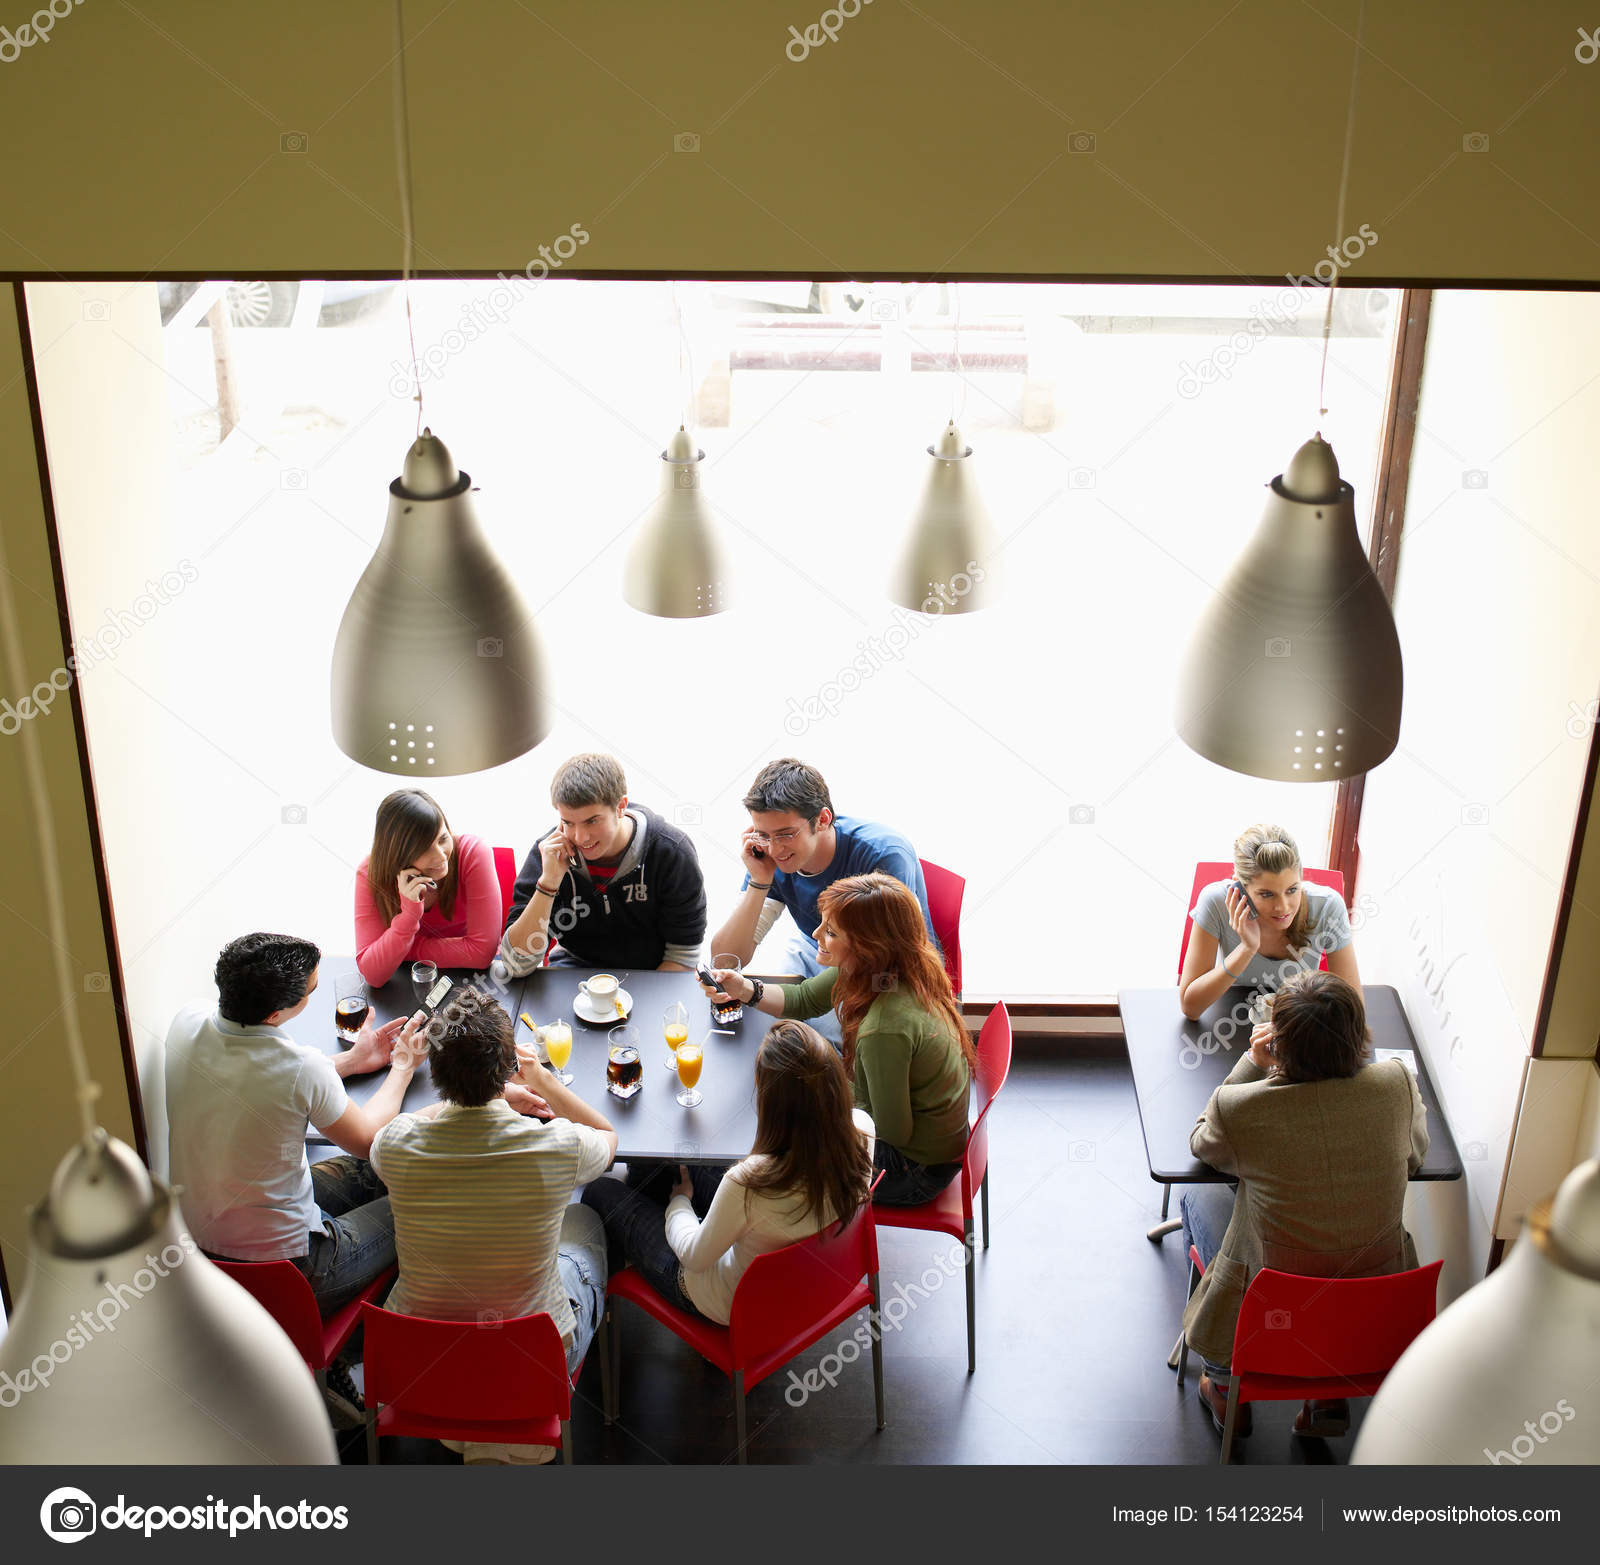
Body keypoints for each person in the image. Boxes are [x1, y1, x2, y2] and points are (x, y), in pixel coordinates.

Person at [164, 933, 450, 1427]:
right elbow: (371, 1141)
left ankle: (331, 1358)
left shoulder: (185, 1024)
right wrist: (401, 1068)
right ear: (277, 1014)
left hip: (204, 1255)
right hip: (295, 1267)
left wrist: (353, 1062)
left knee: (367, 1177)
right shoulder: (301, 1068)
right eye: (310, 992)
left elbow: (265, 1077)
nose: (314, 997)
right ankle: (385, 1353)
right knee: (422, 1195)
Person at [1179, 969, 1429, 1443]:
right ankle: (1325, 1395)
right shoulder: (1396, 1083)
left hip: (1274, 1311)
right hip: (1374, 1308)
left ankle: (1226, 1381)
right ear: (1358, 1036)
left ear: (1279, 1044)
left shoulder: (1243, 1108)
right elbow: (1414, 1157)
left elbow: (1201, 1142)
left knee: (1201, 1194)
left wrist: (1252, 1065)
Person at [371, 993, 617, 1465]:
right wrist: (541, 1080)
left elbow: (396, 1128)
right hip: (530, 1369)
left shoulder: (397, 1146)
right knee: (585, 1222)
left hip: (422, 1370)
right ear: (507, 1068)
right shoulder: (557, 1145)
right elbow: (607, 1135)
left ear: (436, 1075)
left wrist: (478, 1098)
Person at [703, 872, 969, 1206]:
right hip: (924, 1138)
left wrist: (826, 1098)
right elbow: (802, 999)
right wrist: (744, 989)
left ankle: (734, 1213)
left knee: (775, 1144)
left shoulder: (883, 1029)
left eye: (830, 932)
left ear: (867, 946)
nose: (815, 935)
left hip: (910, 1169)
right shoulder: (887, 968)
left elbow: (891, 1133)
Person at [581, 1020, 873, 1323]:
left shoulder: (749, 1181)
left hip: (725, 1301)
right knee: (676, 1165)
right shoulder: (862, 1130)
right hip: (810, 1282)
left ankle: (618, 1282)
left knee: (599, 1190)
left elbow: (694, 1257)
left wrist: (679, 1204)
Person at [708, 758, 936, 1044]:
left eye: (786, 834)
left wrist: (808, 1001)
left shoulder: (882, 854)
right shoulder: (772, 857)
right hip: (818, 944)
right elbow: (727, 958)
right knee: (769, 1030)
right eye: (763, 835)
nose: (775, 849)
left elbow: (893, 961)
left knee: (827, 1039)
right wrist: (760, 880)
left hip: (878, 962)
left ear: (823, 819)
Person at [501, 752, 706, 975]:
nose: (580, 838)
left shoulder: (672, 852)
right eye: (568, 822)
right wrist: (548, 883)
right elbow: (515, 966)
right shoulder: (548, 854)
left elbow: (683, 954)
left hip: (652, 973)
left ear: (621, 807)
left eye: (592, 821)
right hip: (574, 965)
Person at [1178, 823, 1359, 1021]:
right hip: (1231, 1022)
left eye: (1292, 890)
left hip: (1298, 1026)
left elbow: (1353, 1011)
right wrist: (1247, 949)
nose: (1283, 907)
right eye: (1266, 894)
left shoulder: (1328, 906)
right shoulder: (1215, 902)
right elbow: (1191, 1008)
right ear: (1240, 885)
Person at [354, 789, 501, 986]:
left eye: (442, 839)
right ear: (397, 854)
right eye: (424, 848)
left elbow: (482, 953)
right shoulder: (369, 874)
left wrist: (405, 948)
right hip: (411, 981)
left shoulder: (472, 853)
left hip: (476, 978)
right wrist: (408, 916)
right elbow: (373, 975)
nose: (441, 856)